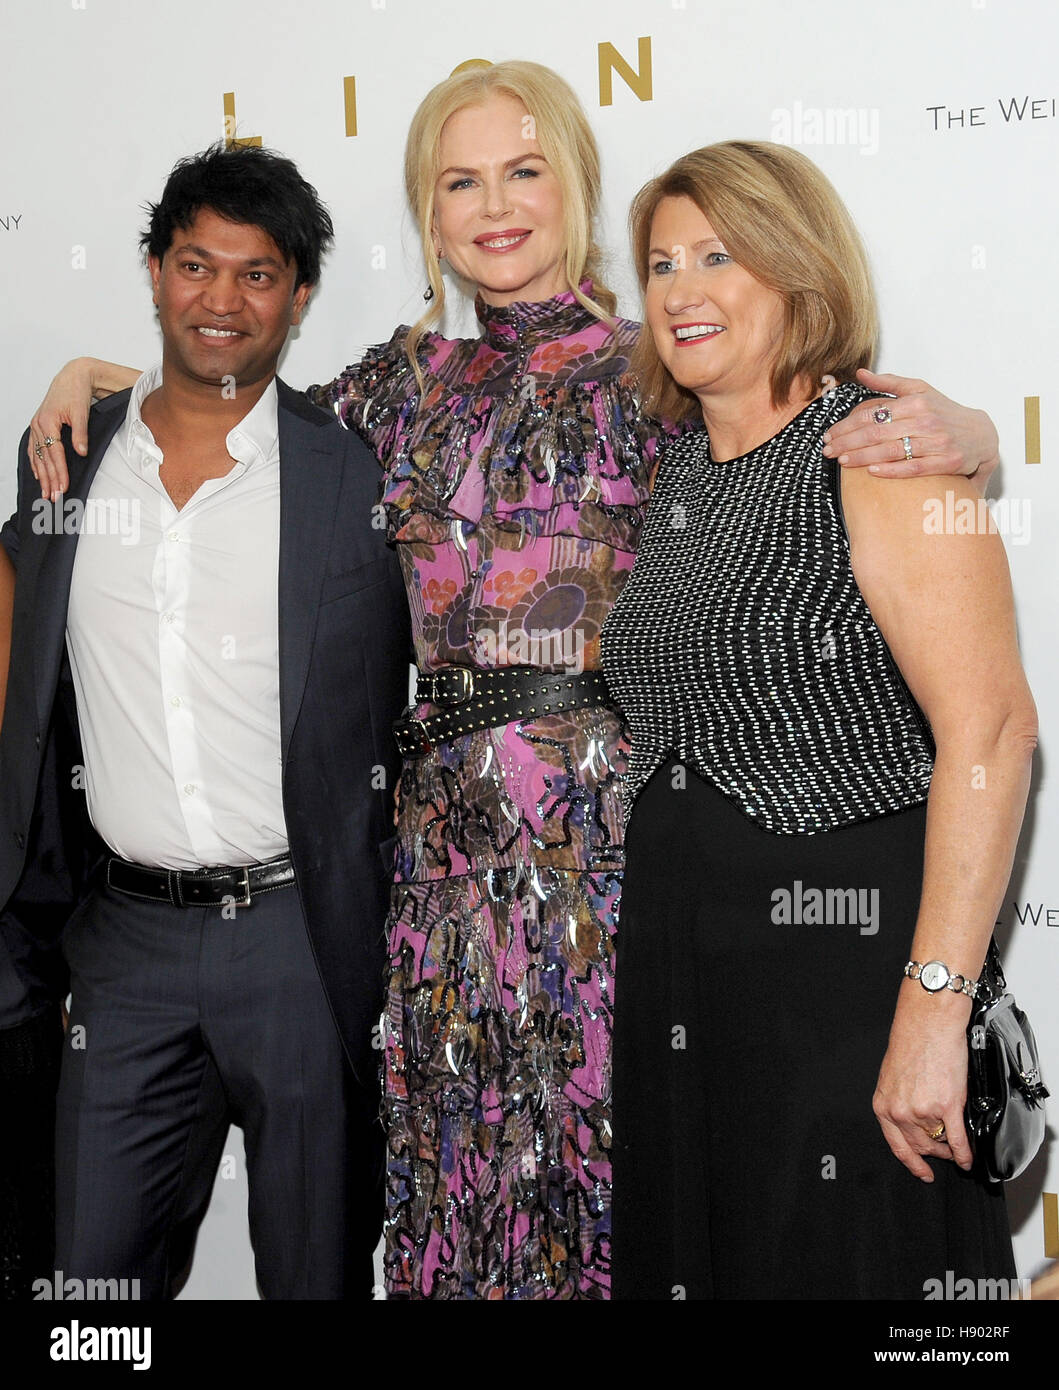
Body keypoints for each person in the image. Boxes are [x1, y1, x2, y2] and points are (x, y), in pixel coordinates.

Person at [21, 64, 1001, 1300]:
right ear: (427, 214)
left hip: (620, 863)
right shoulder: (394, 389)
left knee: (622, 1182)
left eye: (525, 172)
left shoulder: (669, 368)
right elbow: (230, 403)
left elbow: (820, 442)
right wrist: (92, 379)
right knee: (462, 1169)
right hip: (435, 870)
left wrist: (968, 429)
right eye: (461, 180)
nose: (496, 206)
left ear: (576, 188)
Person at [601, 140, 1036, 1299]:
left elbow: (991, 733)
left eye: (718, 254)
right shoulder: (685, 474)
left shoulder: (883, 454)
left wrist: (937, 1011)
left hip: (842, 979)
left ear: (797, 272)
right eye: (659, 263)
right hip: (689, 983)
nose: (682, 288)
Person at [0, 142, 410, 1299]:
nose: (221, 299)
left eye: (257, 273)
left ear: (302, 294)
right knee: (90, 1290)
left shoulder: (355, 472)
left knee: (313, 1273)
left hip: (302, 937)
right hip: (123, 942)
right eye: (195, 265)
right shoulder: (67, 467)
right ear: (152, 270)